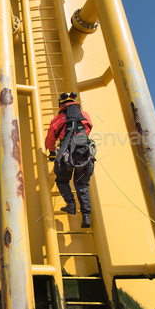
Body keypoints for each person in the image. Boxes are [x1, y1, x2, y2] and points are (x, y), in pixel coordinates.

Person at [45, 92, 94, 228]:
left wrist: (52, 152)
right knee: (83, 185)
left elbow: (50, 140)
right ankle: (86, 216)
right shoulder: (85, 115)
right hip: (84, 155)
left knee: (62, 180)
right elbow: (89, 129)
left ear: (61, 105)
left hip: (67, 156)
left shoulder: (58, 119)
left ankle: (71, 204)